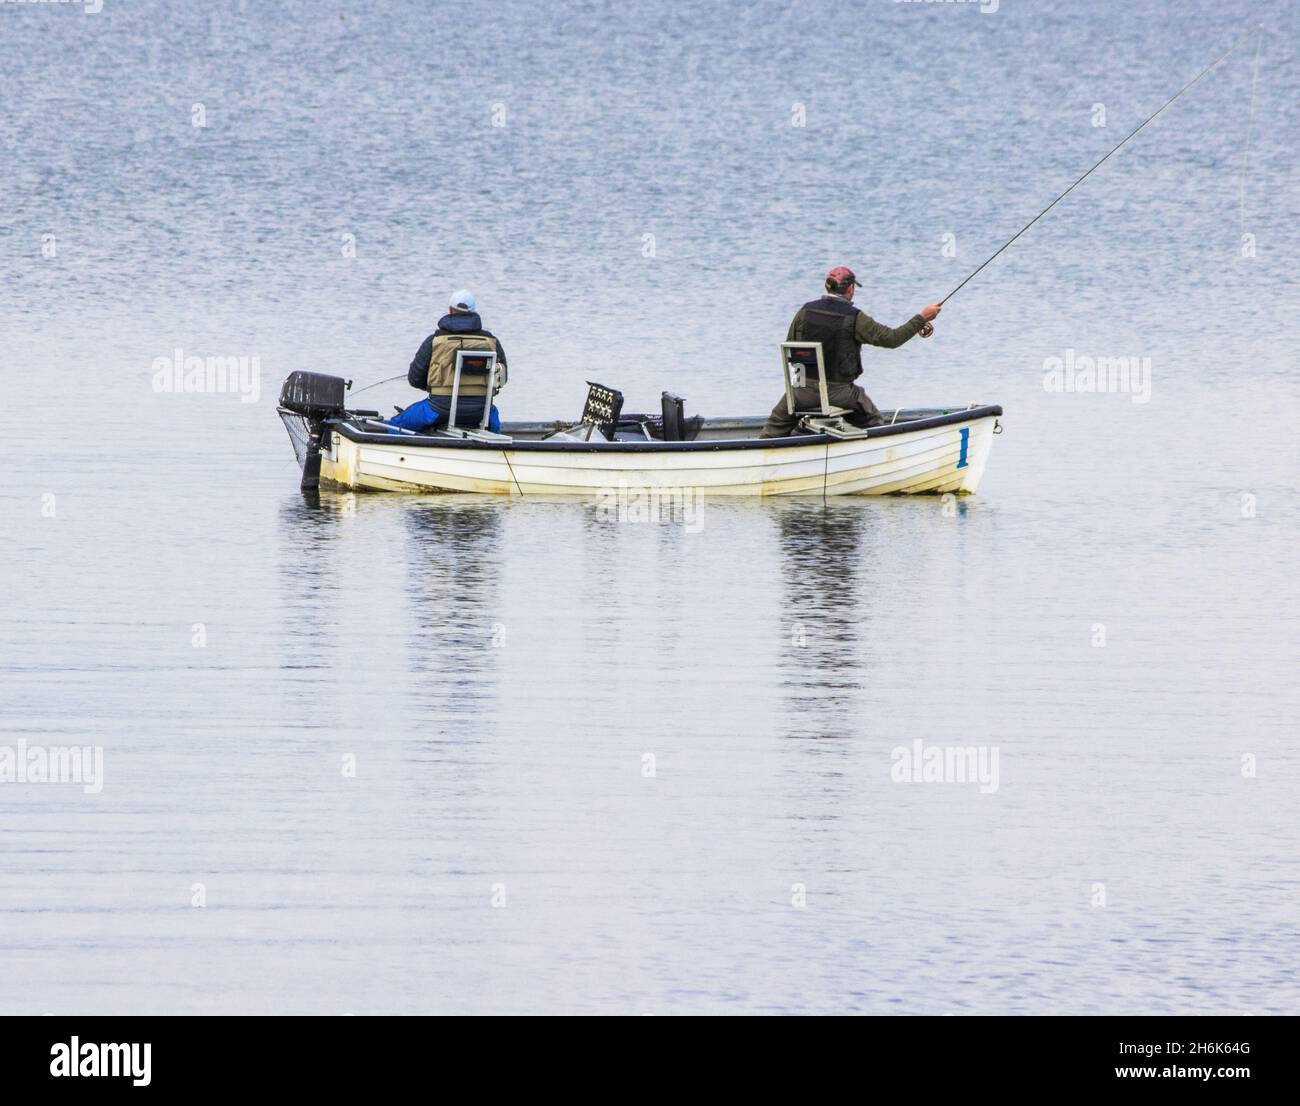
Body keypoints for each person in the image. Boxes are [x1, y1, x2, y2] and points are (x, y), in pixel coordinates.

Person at [758, 267, 941, 437]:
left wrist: (802, 387)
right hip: (839, 394)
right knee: (872, 419)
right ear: (850, 289)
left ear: (827, 286)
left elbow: (791, 347)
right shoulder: (854, 317)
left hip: (798, 392)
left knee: (771, 431)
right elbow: (891, 339)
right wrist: (921, 318)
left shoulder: (804, 311)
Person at [390, 290, 507, 433]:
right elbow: (502, 378)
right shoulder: (492, 342)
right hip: (481, 410)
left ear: (450, 310)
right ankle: (495, 453)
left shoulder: (434, 341)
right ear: (473, 311)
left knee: (396, 423)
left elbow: (415, 379)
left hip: (439, 408)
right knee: (494, 425)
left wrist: (437, 387)